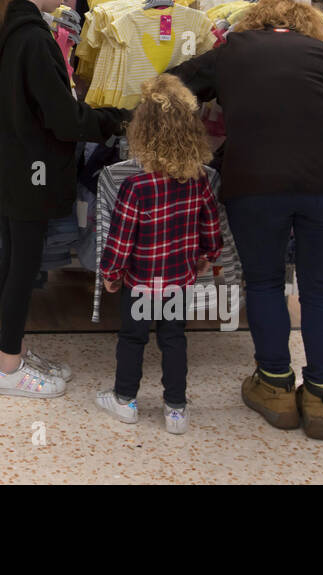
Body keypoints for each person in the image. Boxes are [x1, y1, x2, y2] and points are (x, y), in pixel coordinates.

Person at [169, 0, 323, 440]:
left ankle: (274, 387)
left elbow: (167, 88)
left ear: (254, 22)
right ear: (308, 26)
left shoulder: (233, 50)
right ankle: (322, 398)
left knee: (265, 282)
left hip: (257, 179)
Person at [0, 0, 125, 398]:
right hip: (32, 168)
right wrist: (112, 119)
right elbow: (62, 117)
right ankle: (8, 368)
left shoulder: (11, 30)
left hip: (17, 165)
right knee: (21, 268)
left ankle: (12, 353)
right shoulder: (33, 37)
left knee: (17, 264)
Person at [95, 74, 224, 435]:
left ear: (143, 133)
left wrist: (111, 273)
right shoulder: (198, 179)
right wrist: (208, 256)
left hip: (139, 283)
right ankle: (176, 410)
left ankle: (125, 401)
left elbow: (121, 239)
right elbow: (210, 227)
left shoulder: (136, 186)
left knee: (132, 339)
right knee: (174, 340)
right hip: (178, 282)